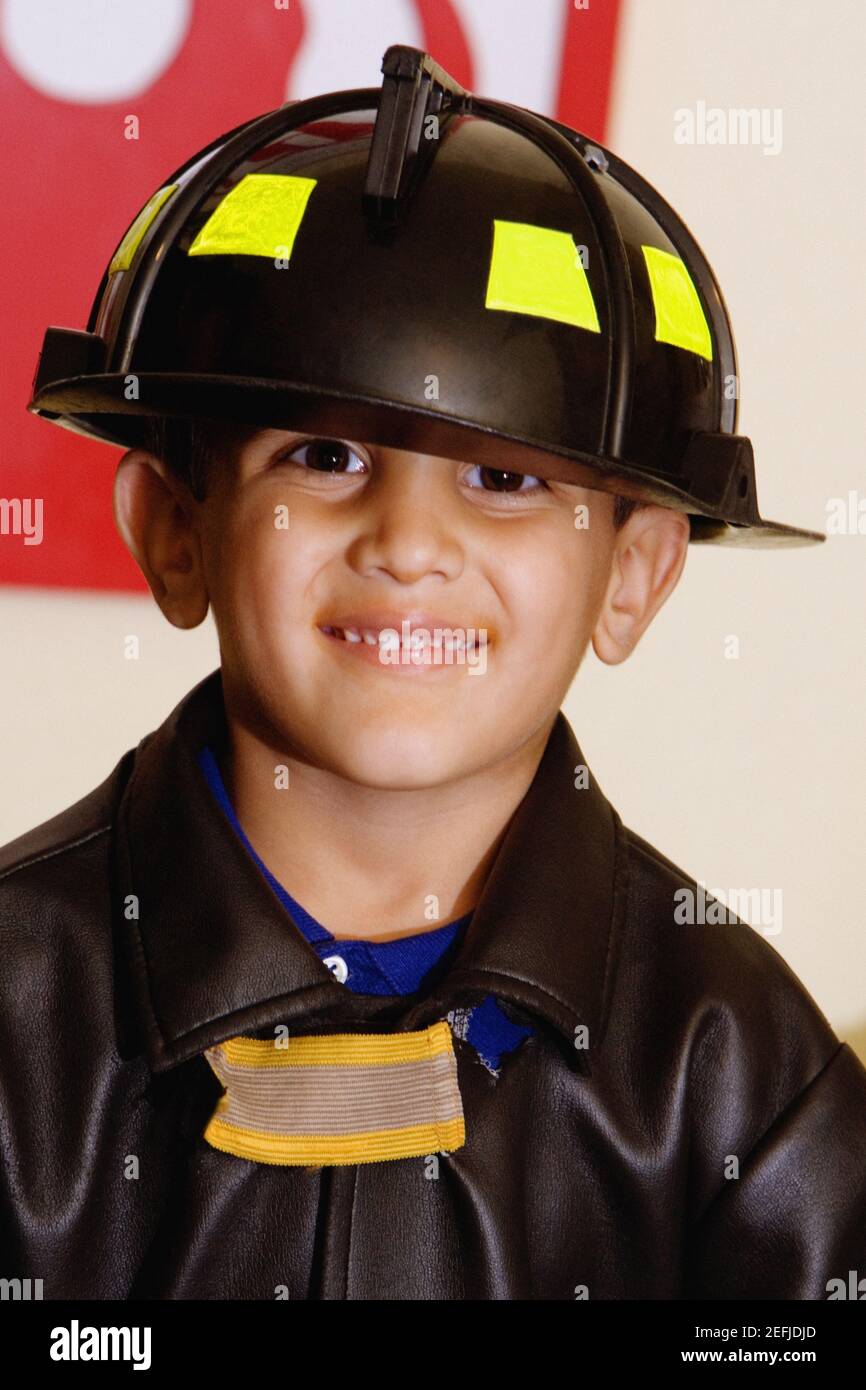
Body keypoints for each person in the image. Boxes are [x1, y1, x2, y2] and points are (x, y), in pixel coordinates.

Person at [3, 46, 864, 1300]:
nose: (407, 545)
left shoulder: (738, 1072)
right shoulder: (22, 1016)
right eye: (323, 457)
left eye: (502, 480)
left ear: (631, 576)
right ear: (174, 530)